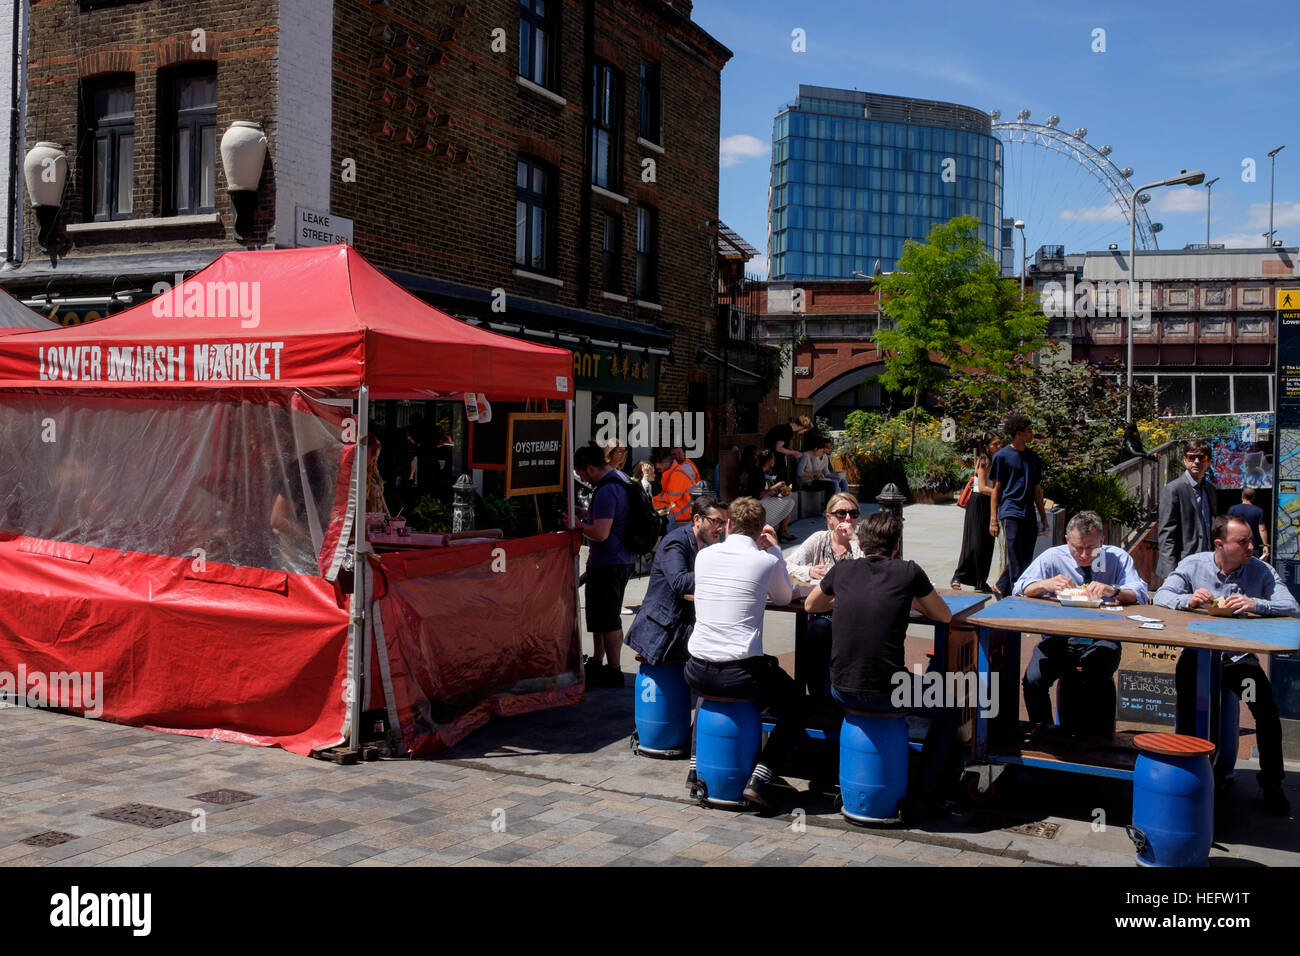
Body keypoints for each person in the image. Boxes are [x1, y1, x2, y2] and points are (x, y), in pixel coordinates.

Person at [805, 511, 957, 819]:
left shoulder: (843, 570)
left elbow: (811, 604)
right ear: (896, 544)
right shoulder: (909, 572)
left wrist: (845, 599)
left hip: (841, 688)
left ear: (861, 542)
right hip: (889, 690)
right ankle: (924, 795)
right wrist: (911, 600)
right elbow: (944, 615)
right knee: (952, 709)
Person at [1154, 514, 1298, 814]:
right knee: (1191, 713)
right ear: (1220, 544)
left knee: (1267, 714)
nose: (1251, 547)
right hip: (1199, 654)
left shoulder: (1261, 570)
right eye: (1243, 542)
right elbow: (1163, 595)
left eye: (1251, 541)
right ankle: (1193, 780)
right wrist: (1189, 600)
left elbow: (1291, 606)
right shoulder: (1195, 564)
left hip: (1238, 661)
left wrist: (1256, 604)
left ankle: (1272, 785)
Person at [685, 496, 802, 810]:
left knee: (710, 694)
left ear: (728, 524)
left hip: (696, 669)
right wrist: (775, 550)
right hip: (739, 673)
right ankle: (761, 776)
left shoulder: (704, 556)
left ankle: (696, 767)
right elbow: (783, 596)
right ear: (762, 529)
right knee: (796, 702)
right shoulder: (765, 560)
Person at [1014, 510, 1149, 736]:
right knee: (1033, 679)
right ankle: (1045, 731)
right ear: (1067, 540)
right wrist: (1045, 584)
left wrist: (1113, 591)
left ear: (1102, 541)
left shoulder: (1117, 557)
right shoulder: (1052, 557)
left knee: (1095, 671)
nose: (1085, 555)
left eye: (1092, 548)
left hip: (1102, 636)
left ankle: (1100, 739)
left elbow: (1141, 593)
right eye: (1078, 548)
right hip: (1060, 636)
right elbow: (1020, 588)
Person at [626, 495, 728, 667]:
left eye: (724, 523)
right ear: (697, 519)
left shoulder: (707, 546)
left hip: (683, 623)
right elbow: (679, 582)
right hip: (663, 630)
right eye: (716, 521)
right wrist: (716, 571)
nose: (720, 528)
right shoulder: (677, 541)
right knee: (720, 654)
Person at [567, 442, 636, 688]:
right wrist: (587, 515)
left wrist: (576, 525)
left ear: (589, 468)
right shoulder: (621, 479)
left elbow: (601, 532)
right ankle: (599, 661)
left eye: (581, 474)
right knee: (600, 616)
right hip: (621, 558)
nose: (582, 479)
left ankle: (614, 670)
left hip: (610, 560)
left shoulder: (606, 490)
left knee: (607, 618)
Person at [786, 492, 864, 700]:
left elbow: (869, 569)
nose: (847, 519)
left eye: (853, 513)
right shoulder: (819, 539)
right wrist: (809, 572)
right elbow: (787, 565)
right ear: (829, 517)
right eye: (841, 513)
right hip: (823, 611)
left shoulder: (862, 542)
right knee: (818, 632)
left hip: (855, 615)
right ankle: (819, 697)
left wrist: (853, 539)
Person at [988, 413, 1048, 597]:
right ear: (1019, 433)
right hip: (1010, 511)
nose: (1032, 434)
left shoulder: (1033, 457)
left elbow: (1037, 489)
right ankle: (1016, 592)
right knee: (1013, 555)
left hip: (1028, 511)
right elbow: (996, 489)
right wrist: (993, 520)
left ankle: (1001, 585)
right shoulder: (1002, 456)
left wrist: (1043, 517)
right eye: (1029, 431)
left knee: (1026, 557)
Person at [1156, 438, 1217, 580]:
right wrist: (1171, 574)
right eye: (1191, 457)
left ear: (1208, 462)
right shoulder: (1173, 490)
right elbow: (1167, 535)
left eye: (1202, 457)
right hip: (1182, 567)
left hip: (1208, 566)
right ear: (1185, 460)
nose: (1196, 461)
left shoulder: (1211, 490)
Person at [951, 431, 1000, 592]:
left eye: (1000, 443)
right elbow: (983, 487)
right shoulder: (984, 461)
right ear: (986, 447)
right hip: (979, 503)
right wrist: (999, 493)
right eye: (995, 444)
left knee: (987, 543)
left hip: (988, 503)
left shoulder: (996, 460)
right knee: (974, 542)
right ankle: (958, 576)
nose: (999, 447)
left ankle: (980, 581)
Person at [745, 448, 796, 542]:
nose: (774, 460)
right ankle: (781, 531)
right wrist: (775, 487)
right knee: (790, 502)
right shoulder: (757, 471)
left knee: (788, 499)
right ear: (769, 460)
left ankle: (782, 531)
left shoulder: (763, 471)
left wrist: (776, 494)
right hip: (755, 502)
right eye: (773, 458)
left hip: (762, 499)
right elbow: (758, 495)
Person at [764, 414, 813, 485]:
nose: (803, 432)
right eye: (805, 430)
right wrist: (794, 453)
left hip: (769, 460)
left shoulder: (783, 427)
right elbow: (778, 448)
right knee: (779, 484)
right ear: (803, 427)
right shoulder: (787, 431)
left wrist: (791, 451)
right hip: (775, 461)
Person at [651, 447, 694, 525]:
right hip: (680, 510)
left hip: (682, 514)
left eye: (656, 465)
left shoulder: (677, 474)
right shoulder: (672, 473)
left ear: (665, 463)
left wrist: (652, 500)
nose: (656, 468)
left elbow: (670, 498)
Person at [1227, 486, 1269, 562]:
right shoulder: (1258, 511)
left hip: (1235, 544)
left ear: (1242, 496)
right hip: (1251, 546)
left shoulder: (1232, 509)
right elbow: (1262, 529)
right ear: (1253, 497)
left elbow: (1227, 527)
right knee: (1251, 570)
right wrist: (1265, 545)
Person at [366, 437, 390, 516]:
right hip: (366, 521)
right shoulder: (359, 473)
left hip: (378, 520)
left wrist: (389, 517)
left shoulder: (375, 471)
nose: (375, 460)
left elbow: (381, 497)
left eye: (377, 457)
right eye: (374, 456)